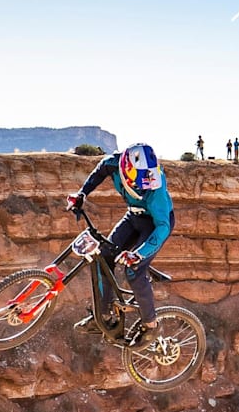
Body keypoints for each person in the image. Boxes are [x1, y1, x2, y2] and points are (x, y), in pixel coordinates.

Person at [67, 143, 174, 346]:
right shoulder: (113, 163)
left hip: (154, 224)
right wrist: (82, 194)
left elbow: (162, 227)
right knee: (102, 259)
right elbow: (99, 172)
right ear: (125, 168)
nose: (143, 185)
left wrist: (138, 254)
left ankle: (151, 325)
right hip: (133, 217)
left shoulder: (156, 187)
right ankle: (103, 317)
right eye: (138, 180)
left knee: (133, 271)